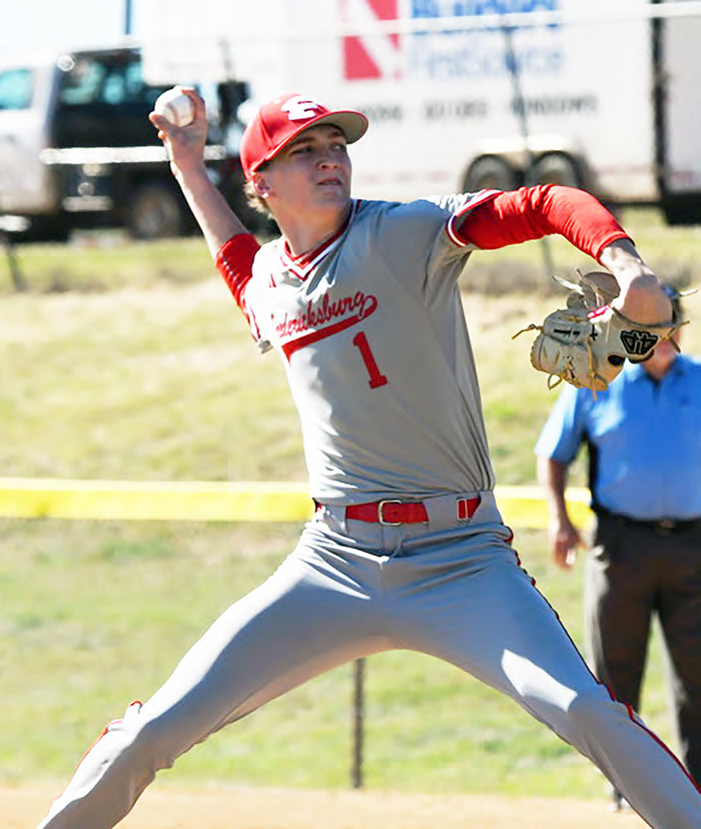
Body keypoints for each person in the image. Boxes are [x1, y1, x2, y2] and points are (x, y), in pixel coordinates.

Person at [36, 90, 701, 829]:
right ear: (261, 183)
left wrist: (623, 261)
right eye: (304, 150)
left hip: (461, 559)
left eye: (335, 145)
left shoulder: (404, 232)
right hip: (334, 561)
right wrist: (189, 167)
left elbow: (543, 201)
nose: (329, 159)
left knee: (587, 711)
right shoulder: (270, 281)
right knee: (155, 726)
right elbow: (240, 269)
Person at [535, 284, 701, 811]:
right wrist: (560, 521)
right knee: (615, 674)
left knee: (698, 676)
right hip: (621, 545)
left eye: (665, 324)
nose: (657, 335)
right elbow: (554, 454)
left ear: (677, 327)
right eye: (645, 327)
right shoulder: (595, 382)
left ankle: (694, 793)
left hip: (695, 548)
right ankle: (626, 790)